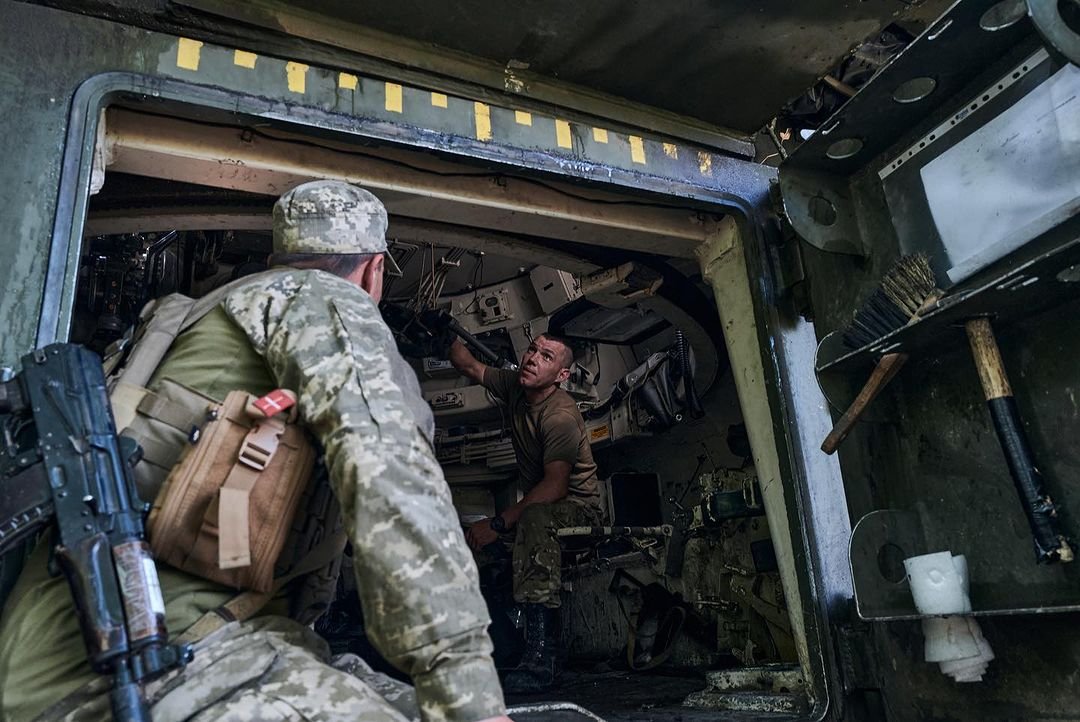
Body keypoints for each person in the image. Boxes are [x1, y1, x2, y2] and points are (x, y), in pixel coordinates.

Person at [0, 180, 511, 722]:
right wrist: (469, 692)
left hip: (55, 663)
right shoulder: (325, 300)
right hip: (152, 668)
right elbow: (391, 475)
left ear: (276, 258)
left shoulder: (190, 318)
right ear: (372, 271)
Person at [449, 333, 604, 691]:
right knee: (467, 543)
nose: (532, 358)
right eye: (532, 349)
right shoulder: (516, 385)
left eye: (546, 357)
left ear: (561, 375)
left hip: (579, 514)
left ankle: (541, 661)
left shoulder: (560, 414)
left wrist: (499, 523)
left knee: (533, 519)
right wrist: (444, 333)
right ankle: (506, 649)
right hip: (542, 514)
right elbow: (468, 364)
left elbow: (555, 488)